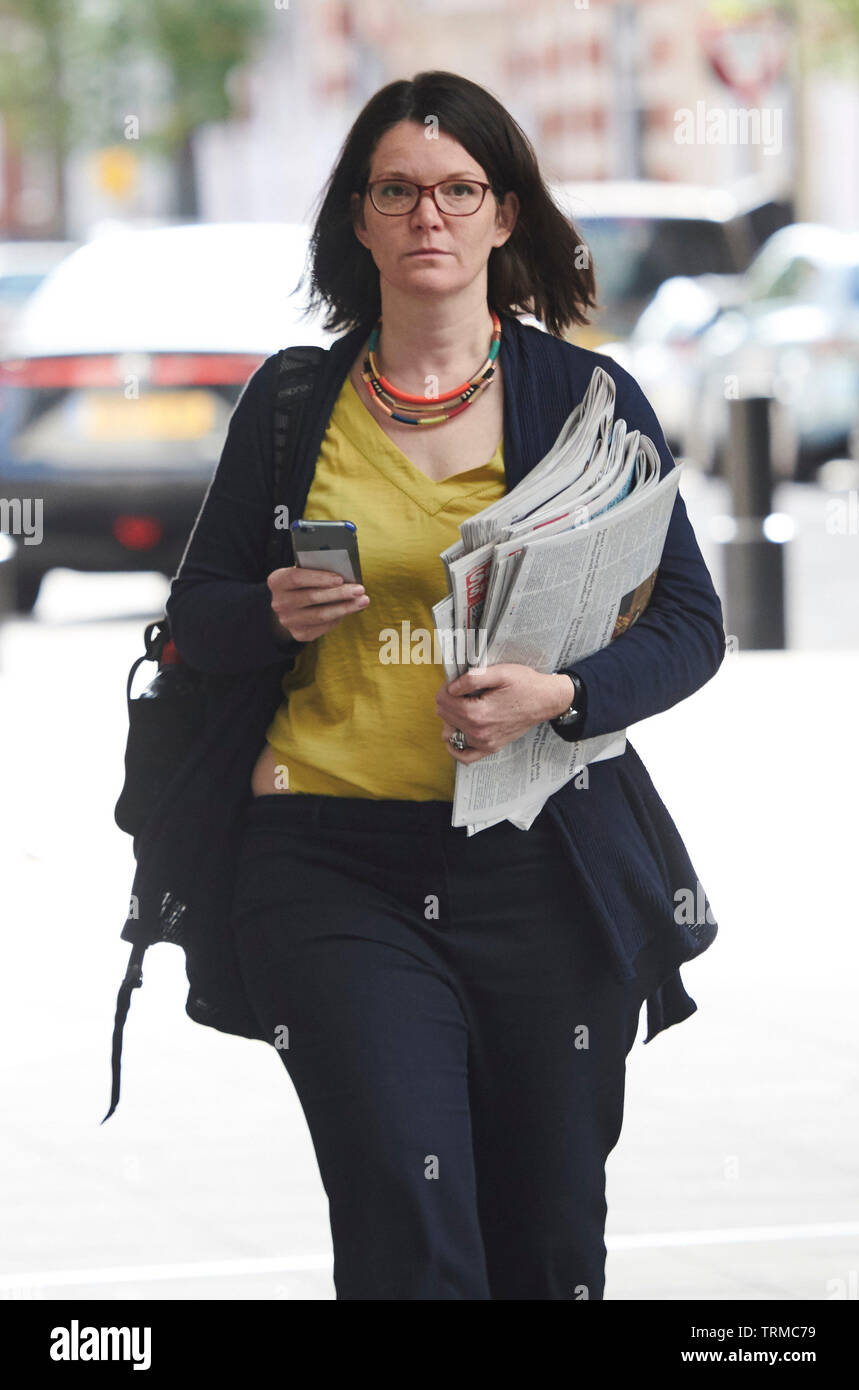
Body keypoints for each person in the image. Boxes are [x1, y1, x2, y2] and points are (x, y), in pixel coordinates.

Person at [161, 70, 726, 1301]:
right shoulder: (290, 404)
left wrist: (563, 694)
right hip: (327, 863)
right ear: (357, 219)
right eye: (398, 191)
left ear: (504, 214)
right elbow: (192, 620)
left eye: (459, 189)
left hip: (538, 859)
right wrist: (264, 610)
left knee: (551, 1249)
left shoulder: (585, 400)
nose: (429, 215)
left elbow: (690, 624)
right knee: (408, 1226)